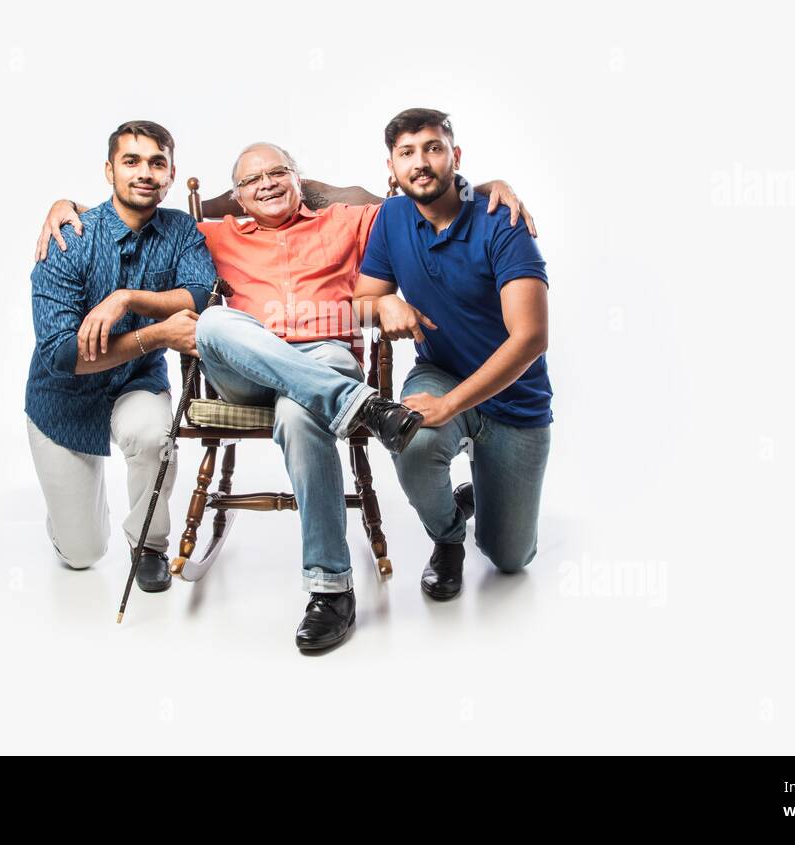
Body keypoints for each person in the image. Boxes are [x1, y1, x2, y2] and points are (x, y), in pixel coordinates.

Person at [35, 139, 533, 651]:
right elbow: (142, 213)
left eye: (279, 172)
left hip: (326, 359)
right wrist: (65, 205)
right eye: (251, 181)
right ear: (238, 196)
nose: (267, 184)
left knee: (299, 414)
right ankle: (362, 406)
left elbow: (427, 198)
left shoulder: (349, 221)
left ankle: (331, 589)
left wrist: (487, 187)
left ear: (300, 180)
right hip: (247, 369)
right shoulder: (212, 234)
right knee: (214, 323)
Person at [353, 109, 552, 601]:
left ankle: (477, 496)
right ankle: (447, 537)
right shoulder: (392, 217)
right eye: (407, 153)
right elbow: (360, 306)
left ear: (454, 156)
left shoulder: (501, 220)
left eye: (433, 148)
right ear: (392, 168)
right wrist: (384, 302)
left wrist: (451, 407)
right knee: (413, 440)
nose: (421, 163)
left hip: (515, 398)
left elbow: (530, 338)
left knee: (510, 558)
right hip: (438, 372)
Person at [26, 120, 213, 593]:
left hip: (136, 383)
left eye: (157, 163)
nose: (144, 172)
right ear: (110, 170)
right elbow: (63, 356)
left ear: (171, 175)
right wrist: (158, 334)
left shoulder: (180, 229)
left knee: (154, 437)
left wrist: (127, 297)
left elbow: (197, 293)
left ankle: (148, 543)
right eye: (131, 161)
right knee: (83, 553)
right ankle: (71, 519)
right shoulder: (68, 237)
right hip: (61, 400)